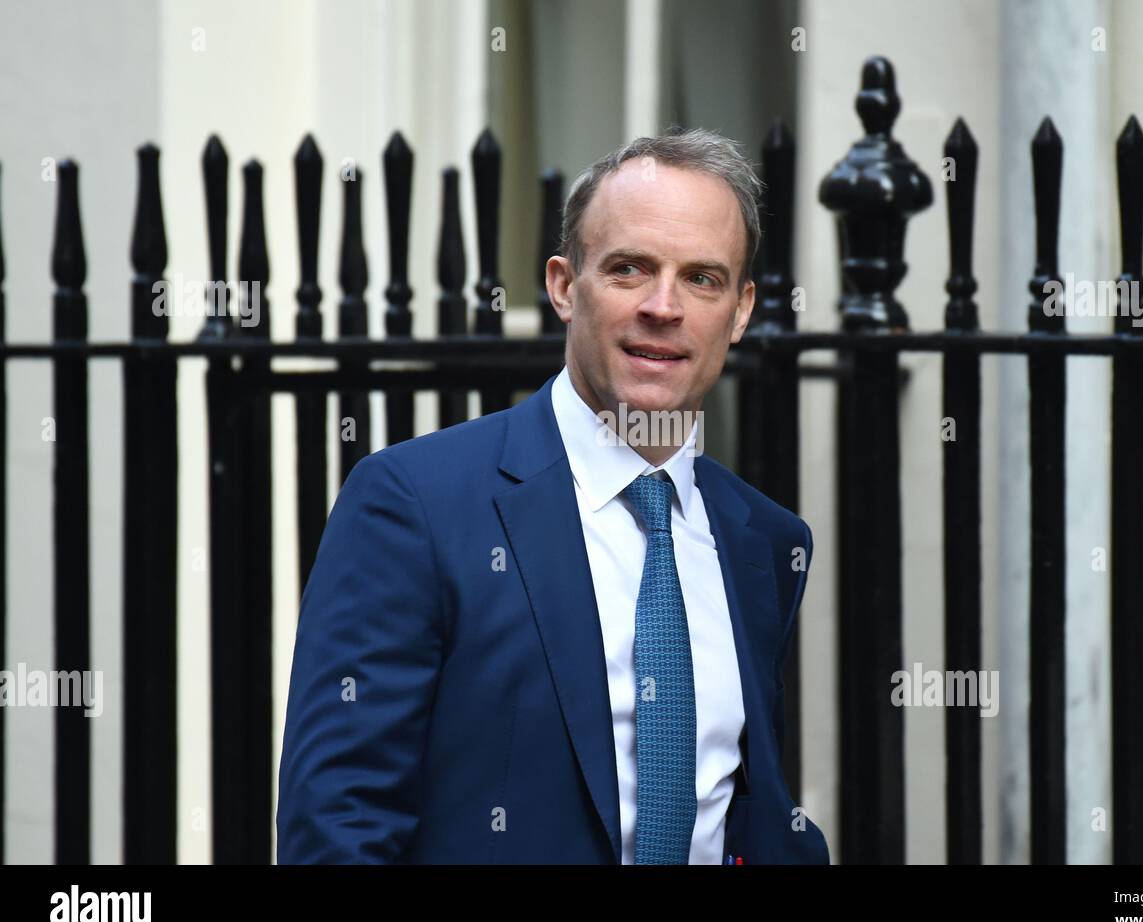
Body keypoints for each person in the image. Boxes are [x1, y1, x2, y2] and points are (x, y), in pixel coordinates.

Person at [276, 129, 829, 864]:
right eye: (630, 268)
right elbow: (337, 830)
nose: (664, 306)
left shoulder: (765, 538)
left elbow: (744, 812)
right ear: (565, 286)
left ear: (740, 309)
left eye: (702, 278)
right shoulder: (413, 505)